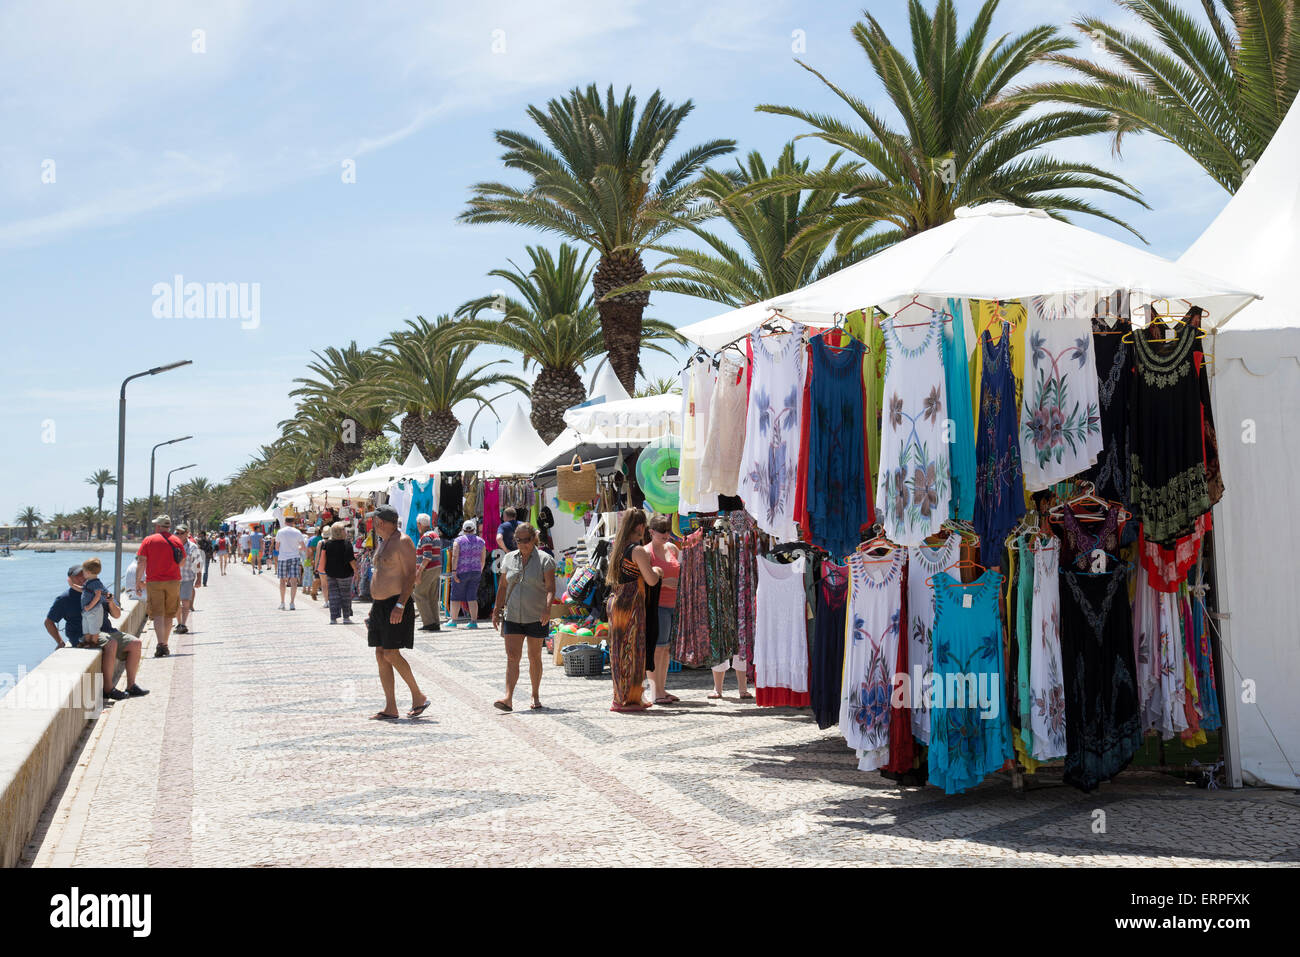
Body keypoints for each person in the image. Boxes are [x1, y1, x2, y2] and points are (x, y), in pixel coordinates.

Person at [45, 564, 146, 701]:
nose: (81, 578)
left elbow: (117, 615)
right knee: (111, 643)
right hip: (82, 635)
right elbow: (49, 622)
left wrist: (110, 603)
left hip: (106, 631)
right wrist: (60, 641)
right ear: (70, 579)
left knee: (135, 643)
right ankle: (108, 689)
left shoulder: (97, 590)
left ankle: (131, 686)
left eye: (83, 574)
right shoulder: (64, 598)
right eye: (77, 576)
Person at [365, 504, 428, 720]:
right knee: (381, 655)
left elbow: (411, 575)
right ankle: (390, 707)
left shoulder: (403, 541)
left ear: (381, 521)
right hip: (380, 606)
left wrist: (400, 605)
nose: (373, 524)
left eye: (374, 520)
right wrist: (373, 610)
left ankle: (418, 696)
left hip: (396, 604)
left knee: (391, 653)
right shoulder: (384, 543)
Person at [491, 522, 555, 712]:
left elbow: (551, 588)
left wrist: (547, 608)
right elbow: (503, 587)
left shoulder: (545, 560)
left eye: (526, 540)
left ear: (534, 539)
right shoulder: (509, 559)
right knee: (512, 657)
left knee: (534, 656)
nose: (522, 544)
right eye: (518, 541)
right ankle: (508, 698)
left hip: (536, 615)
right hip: (512, 615)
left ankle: (535, 695)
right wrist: (496, 610)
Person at [605, 508, 662, 712]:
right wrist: (657, 570)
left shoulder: (618, 548)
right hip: (631, 604)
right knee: (632, 651)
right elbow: (651, 580)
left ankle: (623, 696)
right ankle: (628, 700)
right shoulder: (638, 551)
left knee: (619, 652)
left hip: (616, 602)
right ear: (639, 526)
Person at [137, 514, 183, 657]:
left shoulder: (149, 540)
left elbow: (141, 562)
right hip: (173, 581)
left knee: (158, 614)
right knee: (169, 614)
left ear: (158, 526)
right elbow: (182, 562)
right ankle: (166, 644)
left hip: (154, 581)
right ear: (168, 526)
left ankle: (160, 644)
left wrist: (138, 581)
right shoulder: (176, 540)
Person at [646, 514, 680, 705]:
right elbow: (645, 581)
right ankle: (655, 691)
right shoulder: (646, 552)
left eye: (668, 531)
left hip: (673, 605)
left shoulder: (673, 548)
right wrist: (665, 582)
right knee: (656, 649)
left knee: (666, 650)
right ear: (651, 532)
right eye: (662, 532)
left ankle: (662, 688)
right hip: (657, 606)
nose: (666, 535)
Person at [446, 519, 485, 629]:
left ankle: (453, 620)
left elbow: (455, 557)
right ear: (474, 529)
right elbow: (483, 559)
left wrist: (454, 572)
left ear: (463, 529)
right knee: (472, 597)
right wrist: (479, 570)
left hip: (461, 572)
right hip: (476, 571)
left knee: (456, 596)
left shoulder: (458, 541)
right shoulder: (481, 541)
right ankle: (473, 621)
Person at [318, 521, 357, 624]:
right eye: (344, 530)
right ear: (340, 532)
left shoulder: (327, 544)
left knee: (333, 596)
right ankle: (346, 617)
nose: (346, 532)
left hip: (331, 573)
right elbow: (351, 559)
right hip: (344, 574)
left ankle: (333, 618)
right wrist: (356, 571)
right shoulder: (346, 544)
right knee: (345, 595)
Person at [411, 514, 442, 632]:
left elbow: (427, 557)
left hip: (428, 569)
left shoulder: (426, 537)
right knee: (432, 597)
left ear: (420, 524)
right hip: (436, 568)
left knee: (419, 593)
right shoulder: (435, 535)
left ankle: (429, 622)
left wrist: (418, 572)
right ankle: (435, 622)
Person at [174, 525, 203, 635]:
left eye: (182, 533)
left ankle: (183, 624)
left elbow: (198, 564)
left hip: (187, 578)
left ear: (187, 533)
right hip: (174, 579)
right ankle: (179, 622)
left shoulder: (193, 547)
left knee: (185, 602)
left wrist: (199, 579)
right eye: (177, 533)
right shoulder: (172, 545)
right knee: (176, 603)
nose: (179, 535)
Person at [275, 516, 307, 610]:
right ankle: (292, 603)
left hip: (283, 558)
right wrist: (296, 549)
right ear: (293, 522)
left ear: (285, 522)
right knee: (294, 582)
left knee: (282, 581)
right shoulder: (297, 532)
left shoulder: (280, 532)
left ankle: (282, 602)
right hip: (294, 557)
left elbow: (277, 547)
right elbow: (303, 547)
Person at [79, 557, 110, 645]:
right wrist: (72, 586)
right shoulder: (88, 582)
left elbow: (98, 595)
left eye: (83, 571)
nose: (83, 573)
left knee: (94, 628)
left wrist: (90, 606)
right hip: (86, 610)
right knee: (87, 628)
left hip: (94, 610)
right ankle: (87, 642)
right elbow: (83, 590)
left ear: (88, 572)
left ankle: (94, 643)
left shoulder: (96, 583)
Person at [302, 526, 319, 600]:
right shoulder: (313, 539)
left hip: (306, 558)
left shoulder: (307, 539)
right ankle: (309, 589)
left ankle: (304, 589)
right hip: (310, 558)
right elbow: (310, 550)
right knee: (310, 573)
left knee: (306, 573)